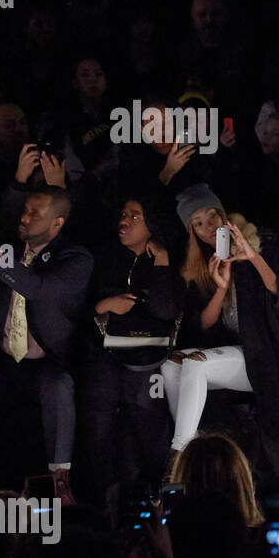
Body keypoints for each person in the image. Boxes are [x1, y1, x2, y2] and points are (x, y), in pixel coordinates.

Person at [0, 188, 93, 500]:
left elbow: (36, 288)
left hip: (47, 362)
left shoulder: (76, 258)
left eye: (35, 214)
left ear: (57, 223)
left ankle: (60, 481)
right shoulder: (8, 247)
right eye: (25, 210)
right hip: (5, 360)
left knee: (58, 386)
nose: (24, 217)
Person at [161, 184, 279, 488]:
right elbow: (205, 324)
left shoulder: (260, 242)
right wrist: (221, 287)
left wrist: (252, 256)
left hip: (264, 357)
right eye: (197, 224)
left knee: (196, 365)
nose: (208, 228)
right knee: (171, 367)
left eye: (211, 218)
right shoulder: (204, 263)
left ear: (223, 216)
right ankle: (190, 446)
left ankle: (178, 461)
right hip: (230, 353)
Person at [80, 196, 181, 512]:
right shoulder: (107, 259)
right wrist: (105, 306)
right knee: (98, 422)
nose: (124, 220)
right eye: (123, 214)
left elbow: (167, 309)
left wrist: (162, 262)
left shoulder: (169, 260)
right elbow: (82, 313)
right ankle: (107, 509)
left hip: (150, 359)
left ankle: (162, 506)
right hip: (108, 354)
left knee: (149, 426)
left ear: (152, 223)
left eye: (135, 216)